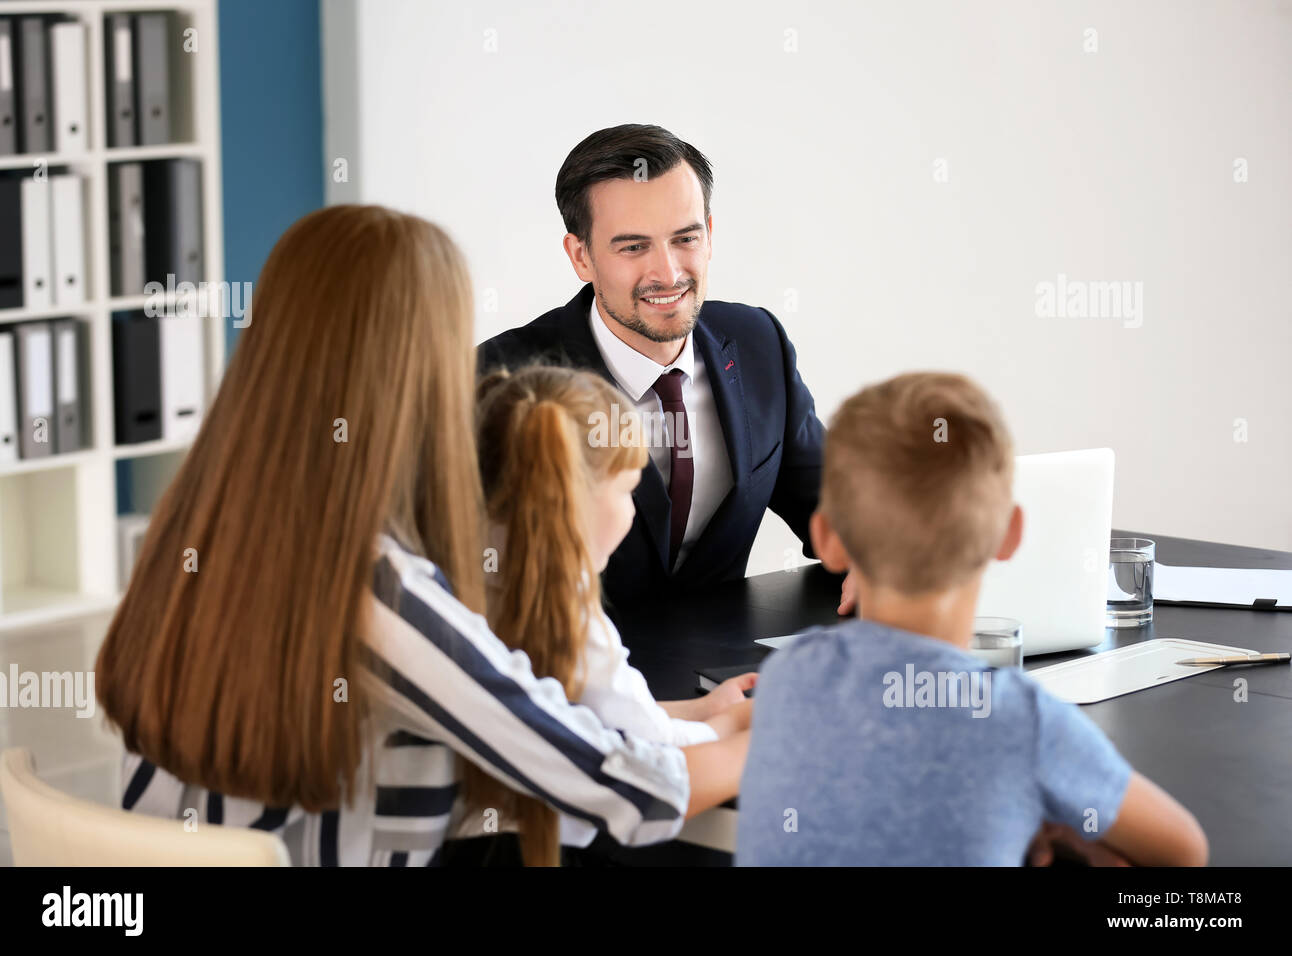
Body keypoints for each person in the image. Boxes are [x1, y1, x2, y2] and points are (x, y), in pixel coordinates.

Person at [94, 205, 750, 866]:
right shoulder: (376, 590)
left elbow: (502, 714)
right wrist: (788, 731)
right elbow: (622, 792)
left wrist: (698, 719)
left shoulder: (197, 529)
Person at [736, 371, 1208, 866]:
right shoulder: (1024, 723)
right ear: (1010, 533)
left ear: (827, 539)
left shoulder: (789, 677)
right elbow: (1185, 851)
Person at [478, 124, 854, 611]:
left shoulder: (760, 342)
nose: (668, 273)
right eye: (633, 247)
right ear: (581, 257)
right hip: (571, 678)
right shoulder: (500, 377)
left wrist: (874, 559)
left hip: (730, 670)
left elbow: (828, 508)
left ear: (710, 235)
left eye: (684, 239)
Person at [471, 364, 756, 863]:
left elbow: (573, 713)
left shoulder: (482, 563)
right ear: (573, 501)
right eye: (627, 490)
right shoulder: (567, 608)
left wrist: (703, 710)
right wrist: (744, 728)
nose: (633, 511)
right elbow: (646, 747)